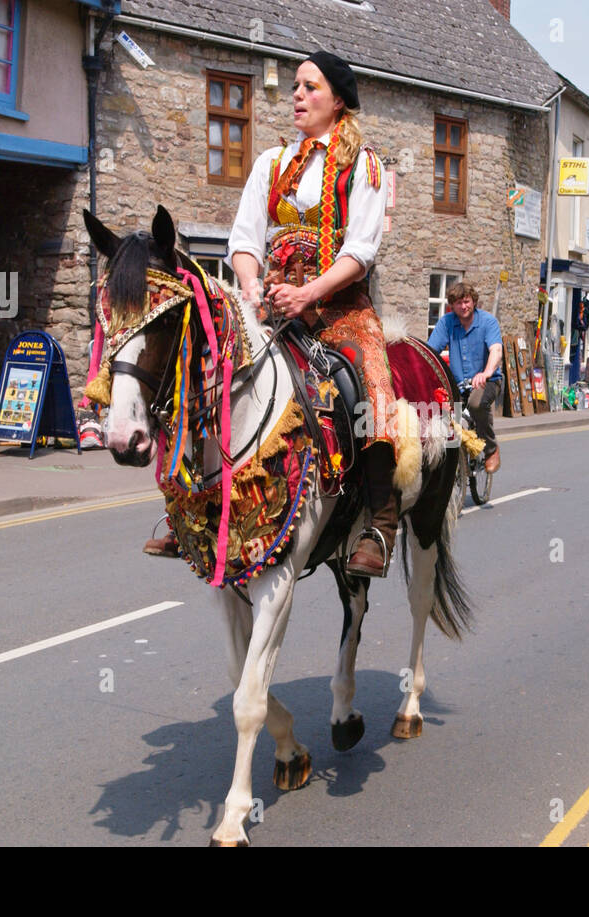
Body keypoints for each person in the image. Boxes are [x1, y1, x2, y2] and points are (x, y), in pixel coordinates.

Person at [227, 51, 395, 577]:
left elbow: (360, 251)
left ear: (338, 100)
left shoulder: (362, 164)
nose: (297, 95)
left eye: (310, 87)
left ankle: (381, 522)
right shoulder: (271, 163)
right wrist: (252, 285)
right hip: (272, 304)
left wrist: (309, 295)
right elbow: (244, 238)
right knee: (215, 366)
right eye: (296, 86)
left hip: (338, 307)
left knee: (372, 379)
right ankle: (202, 505)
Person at [428, 281, 503, 472]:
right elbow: (431, 351)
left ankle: (491, 449)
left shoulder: (487, 322)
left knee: (476, 404)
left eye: (467, 301)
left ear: (474, 301)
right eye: (459, 303)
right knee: (444, 417)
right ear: (452, 306)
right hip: (459, 385)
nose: (463, 306)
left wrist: (485, 373)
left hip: (488, 382)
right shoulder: (447, 322)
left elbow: (496, 350)